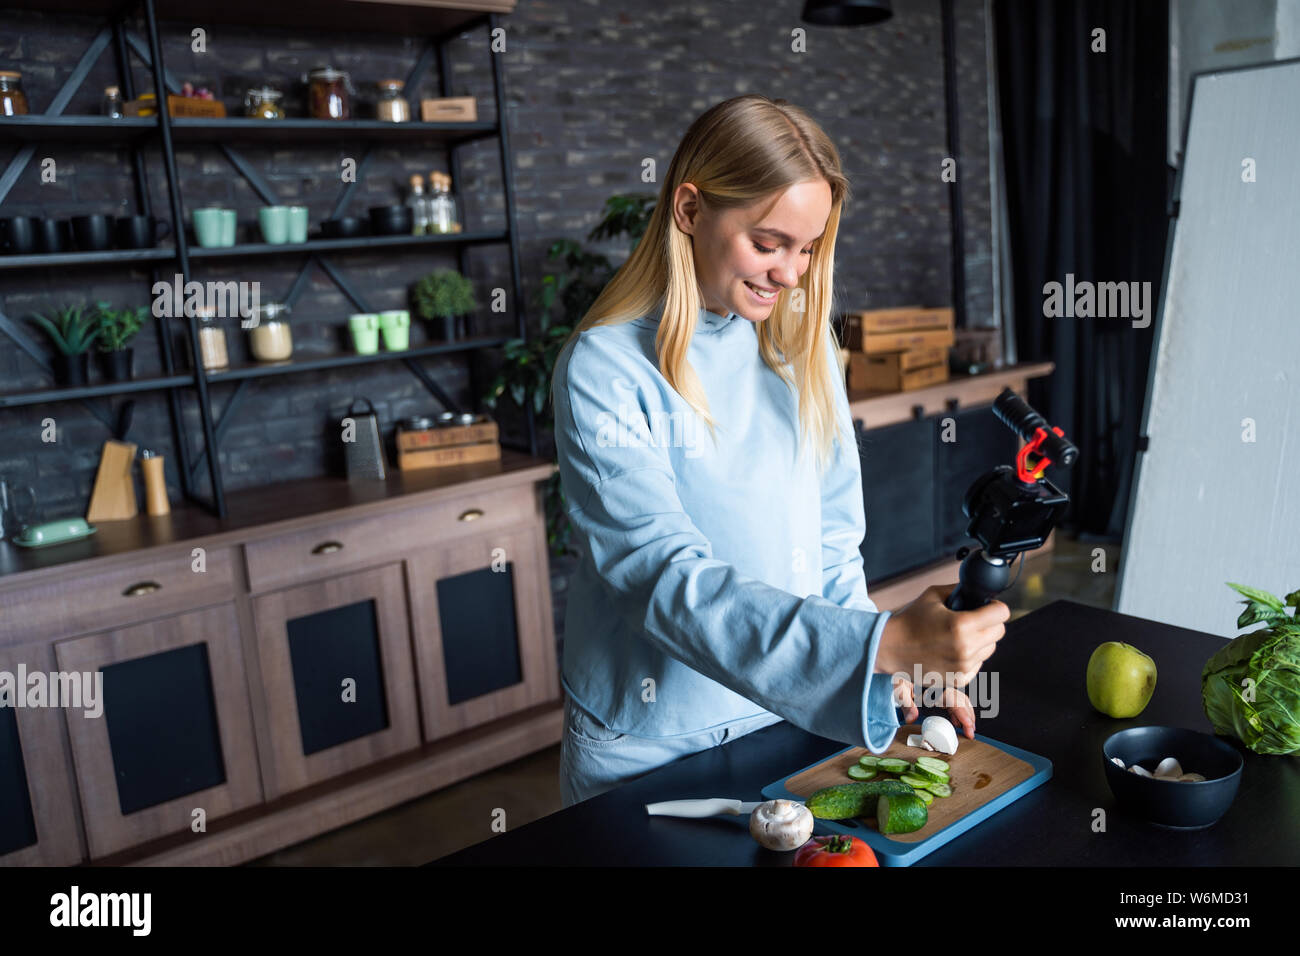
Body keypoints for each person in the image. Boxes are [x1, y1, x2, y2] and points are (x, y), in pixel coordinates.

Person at [550, 94, 1009, 808]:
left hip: (796, 712)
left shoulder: (804, 341)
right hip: (652, 744)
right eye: (768, 243)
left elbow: (830, 545)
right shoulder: (604, 368)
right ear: (690, 209)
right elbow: (663, 579)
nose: (791, 274)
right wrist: (879, 644)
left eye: (807, 248)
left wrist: (882, 665)